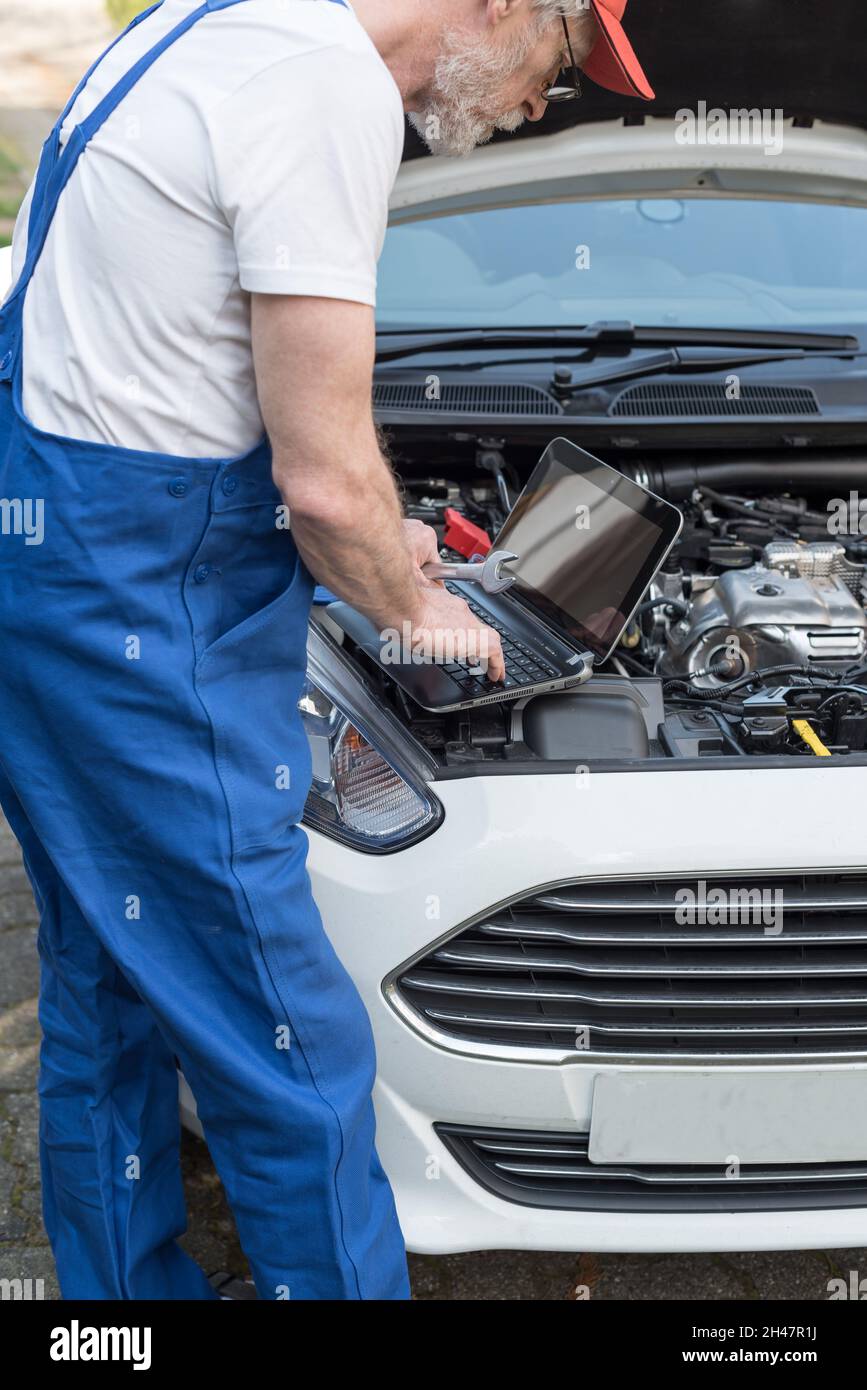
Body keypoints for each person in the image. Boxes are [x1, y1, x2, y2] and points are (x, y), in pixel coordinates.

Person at [0, 0, 653, 1300]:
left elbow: (174, 372)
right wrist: (414, 611)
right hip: (138, 619)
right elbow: (324, 481)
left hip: (62, 564)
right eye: (562, 61)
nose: (543, 102)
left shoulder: (218, 23)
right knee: (290, 1043)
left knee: (108, 980)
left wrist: (374, 541)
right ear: (508, 5)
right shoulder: (326, 87)